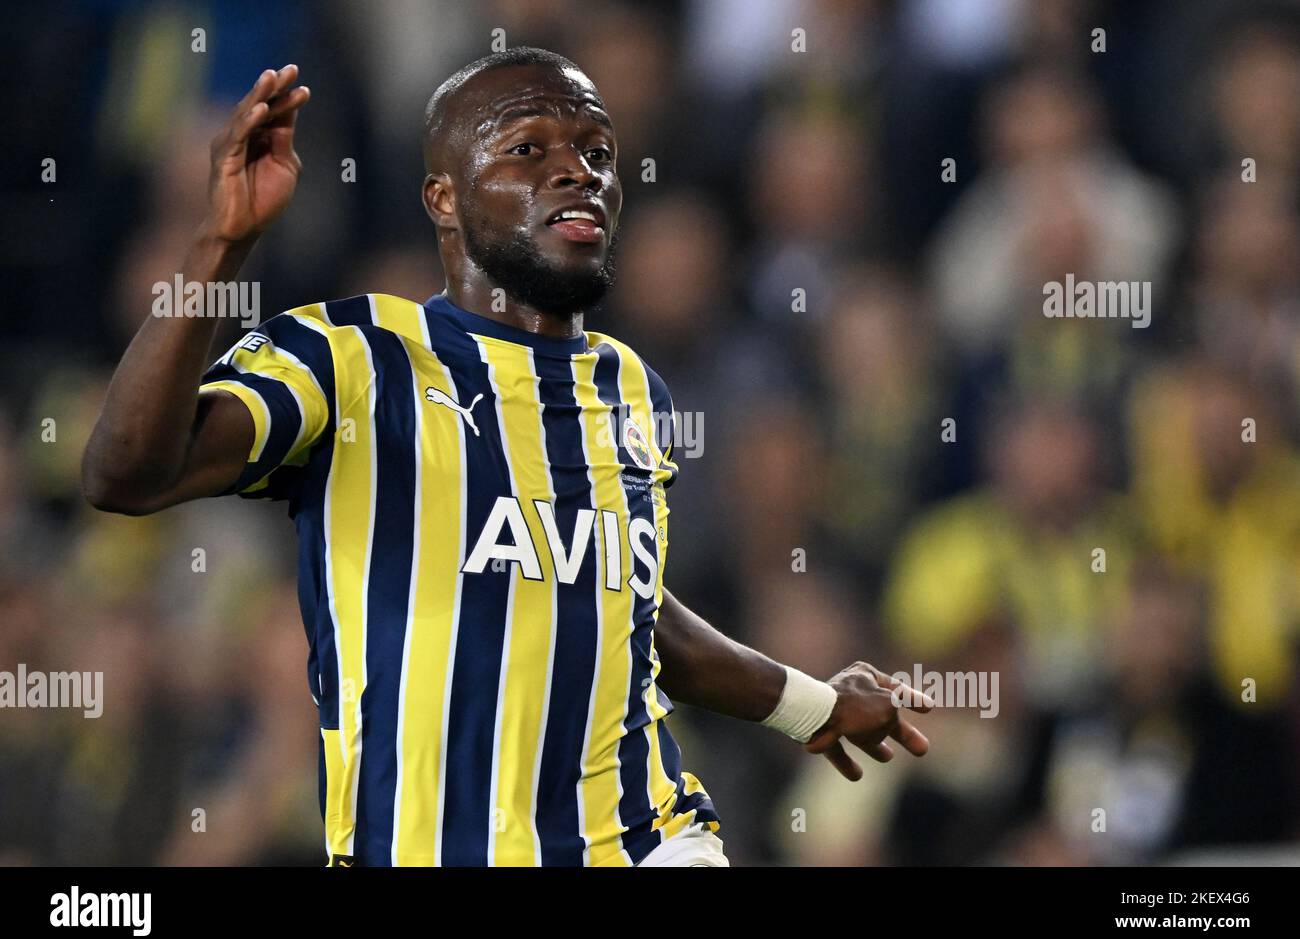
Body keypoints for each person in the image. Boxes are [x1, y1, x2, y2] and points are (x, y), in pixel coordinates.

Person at [81, 47, 931, 867]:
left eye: (597, 150)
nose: (578, 171)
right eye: (528, 149)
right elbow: (125, 474)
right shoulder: (356, 354)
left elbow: (628, 616)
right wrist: (220, 245)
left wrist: (812, 706)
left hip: (644, 841)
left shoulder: (631, 388)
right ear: (443, 198)